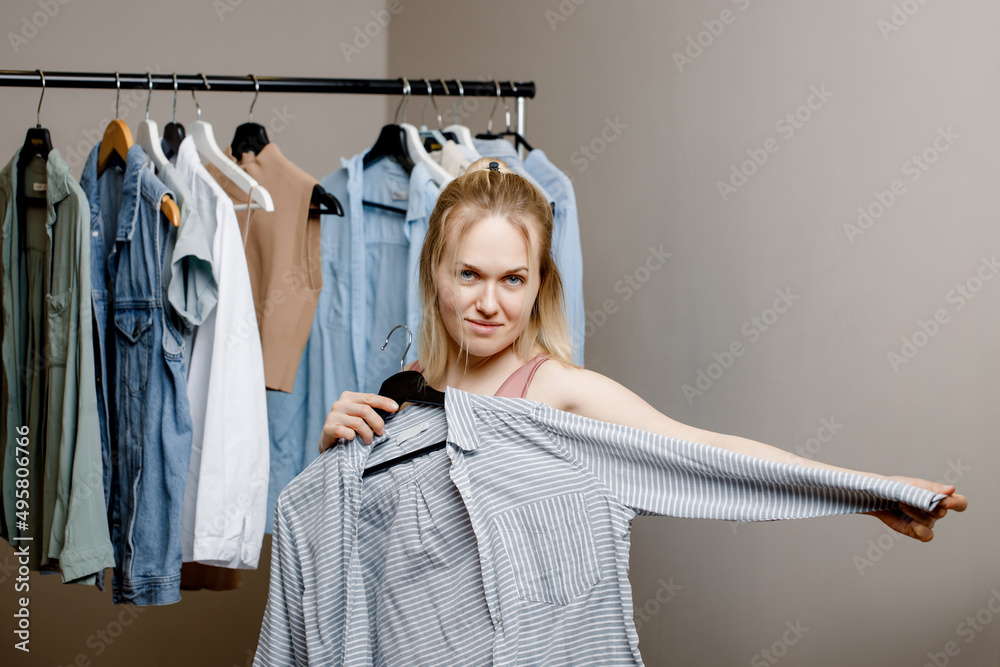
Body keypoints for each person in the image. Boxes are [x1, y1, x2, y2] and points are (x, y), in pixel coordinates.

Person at [319, 157, 966, 542]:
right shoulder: (403, 388)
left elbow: (707, 452)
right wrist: (332, 464)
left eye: (512, 278)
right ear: (433, 270)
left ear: (539, 281)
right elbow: (367, 546)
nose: (490, 302)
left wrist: (867, 490)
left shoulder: (558, 391)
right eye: (469, 274)